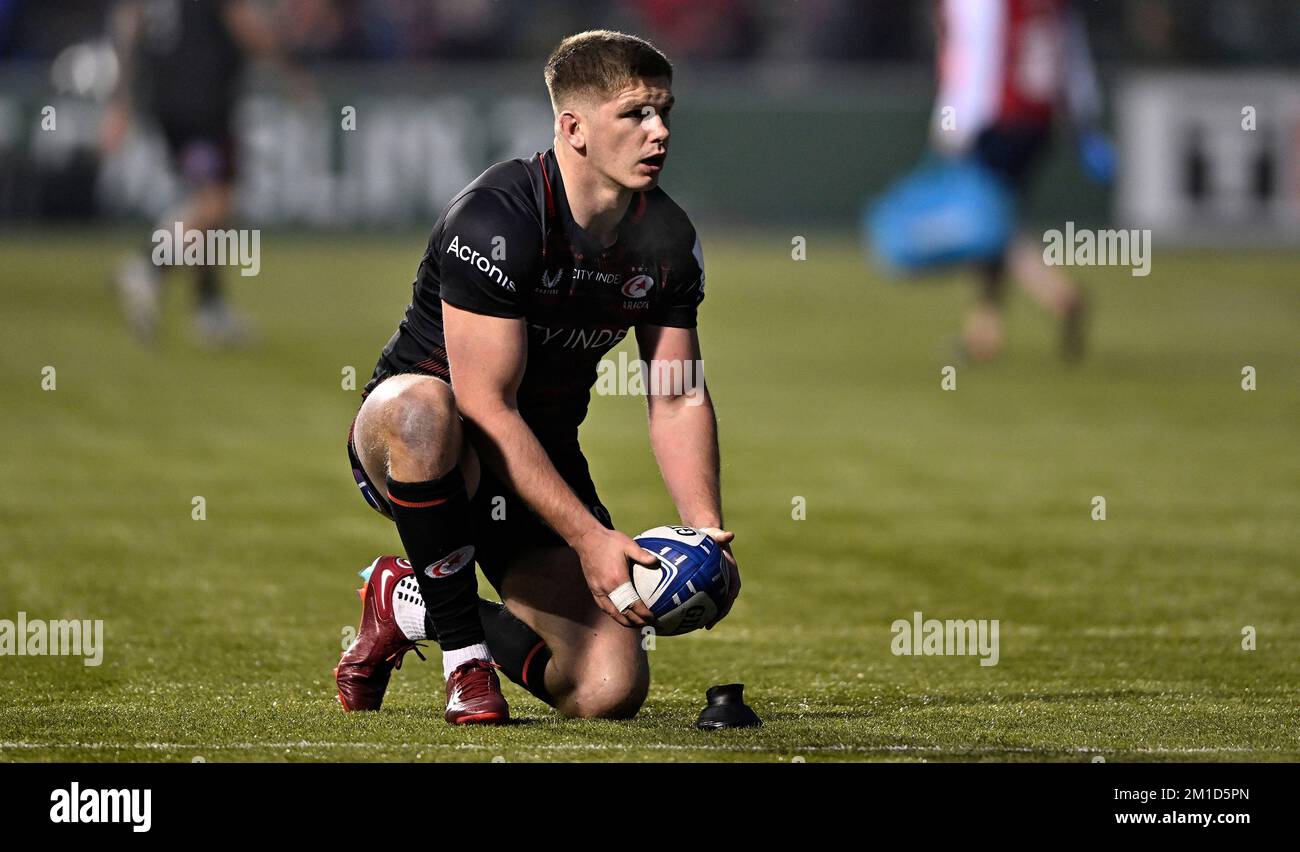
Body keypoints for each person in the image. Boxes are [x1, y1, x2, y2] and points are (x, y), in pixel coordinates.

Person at [335, 30, 741, 724]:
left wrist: (706, 534)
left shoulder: (669, 240)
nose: (660, 131)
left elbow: (678, 396)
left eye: (665, 111)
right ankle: (466, 665)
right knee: (427, 411)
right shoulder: (497, 219)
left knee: (606, 690)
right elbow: (486, 408)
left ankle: (405, 599)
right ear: (573, 128)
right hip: (425, 447)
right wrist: (589, 539)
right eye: (636, 114)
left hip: (538, 460)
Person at [102, 0, 299, 347]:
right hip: (203, 99)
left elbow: (128, 21)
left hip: (166, 99)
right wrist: (288, 70)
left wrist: (122, 98)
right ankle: (149, 263)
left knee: (207, 208)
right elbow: (242, 21)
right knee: (216, 201)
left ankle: (210, 309)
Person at [930, 0, 1114, 361]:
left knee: (987, 226)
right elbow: (1073, 58)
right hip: (1038, 121)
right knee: (995, 224)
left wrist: (952, 124)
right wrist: (1083, 125)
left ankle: (1058, 294)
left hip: (996, 120)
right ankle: (984, 333)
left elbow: (976, 56)